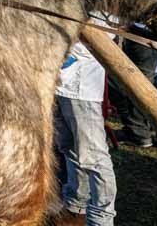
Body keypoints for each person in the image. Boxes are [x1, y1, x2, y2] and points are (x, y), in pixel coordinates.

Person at [52, 29, 117, 226]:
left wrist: (60, 54)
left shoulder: (103, 5)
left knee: (94, 159)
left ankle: (101, 220)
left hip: (82, 87)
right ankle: (75, 206)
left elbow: (103, 37)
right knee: (68, 147)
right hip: (56, 84)